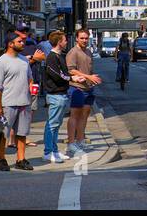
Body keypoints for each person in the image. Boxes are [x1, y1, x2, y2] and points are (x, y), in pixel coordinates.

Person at [0, 30, 34, 171]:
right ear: (10, 44)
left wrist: (32, 86)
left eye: (22, 41)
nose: (23, 43)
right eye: (19, 41)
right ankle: (2, 160)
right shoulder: (0, 62)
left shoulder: (24, 60)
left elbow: (30, 78)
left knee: (22, 133)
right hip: (7, 103)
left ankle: (20, 159)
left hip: (24, 102)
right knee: (3, 133)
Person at [65, 28, 102, 157]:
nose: (84, 40)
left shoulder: (88, 51)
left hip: (88, 88)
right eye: (82, 38)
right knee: (74, 115)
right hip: (77, 88)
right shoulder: (73, 52)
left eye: (86, 38)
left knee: (85, 115)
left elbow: (89, 69)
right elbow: (71, 70)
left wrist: (92, 79)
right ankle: (71, 143)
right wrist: (88, 77)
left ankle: (80, 140)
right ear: (76, 38)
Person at [41, 31, 73, 163]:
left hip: (61, 94)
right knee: (52, 124)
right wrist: (72, 78)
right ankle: (48, 152)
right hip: (55, 95)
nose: (66, 42)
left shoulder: (60, 56)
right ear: (59, 42)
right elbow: (57, 75)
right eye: (65, 40)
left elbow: (62, 73)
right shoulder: (52, 57)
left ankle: (54, 150)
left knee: (56, 124)